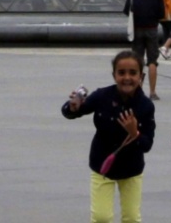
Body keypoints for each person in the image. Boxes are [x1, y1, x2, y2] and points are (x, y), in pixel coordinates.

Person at [62, 50, 155, 223]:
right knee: (101, 217)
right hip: (102, 165)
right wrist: (72, 106)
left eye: (133, 73)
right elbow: (73, 111)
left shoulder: (145, 106)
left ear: (141, 77)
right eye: (121, 73)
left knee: (132, 218)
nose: (127, 78)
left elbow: (147, 144)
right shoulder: (102, 96)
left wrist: (134, 133)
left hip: (131, 169)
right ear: (114, 75)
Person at [125, 0, 164, 99]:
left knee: (137, 61)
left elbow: (126, 11)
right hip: (152, 29)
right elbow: (161, 14)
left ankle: (138, 90)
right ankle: (152, 92)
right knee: (152, 61)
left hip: (136, 30)